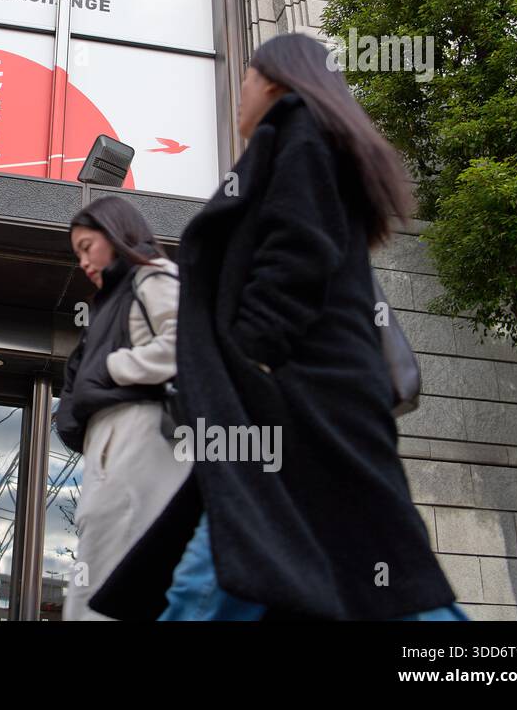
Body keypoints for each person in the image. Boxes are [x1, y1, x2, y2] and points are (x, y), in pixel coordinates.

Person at [88, 33, 467, 621]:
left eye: (244, 77)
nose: (238, 93)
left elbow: (297, 248)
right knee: (354, 566)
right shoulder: (311, 141)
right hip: (308, 406)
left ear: (275, 79)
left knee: (219, 574)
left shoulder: (298, 131)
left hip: (290, 404)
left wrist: (251, 358)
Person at [56, 196, 191, 620]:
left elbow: (186, 342)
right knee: (100, 576)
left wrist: (113, 366)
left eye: (86, 247)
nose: (83, 262)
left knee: (114, 579)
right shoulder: (110, 301)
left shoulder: (151, 275)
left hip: (140, 439)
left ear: (116, 235)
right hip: (109, 448)